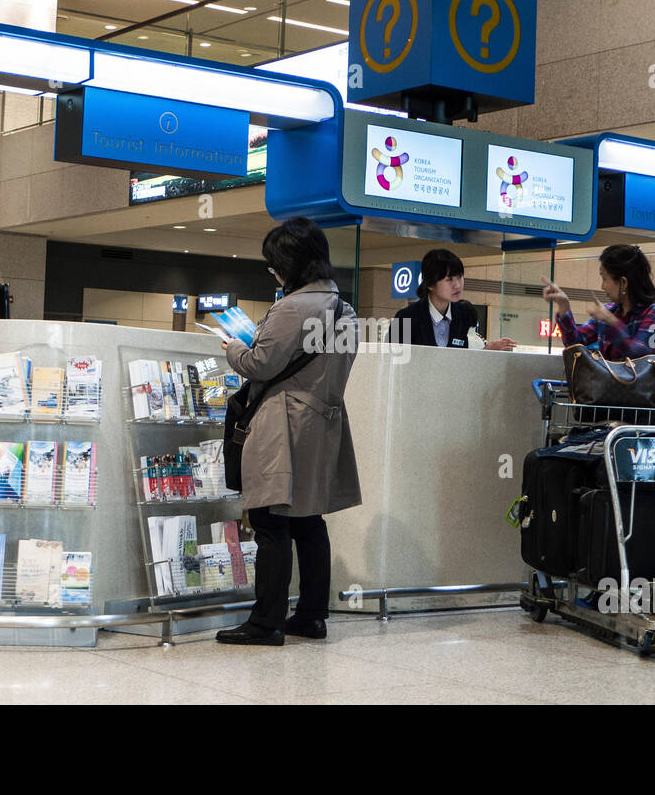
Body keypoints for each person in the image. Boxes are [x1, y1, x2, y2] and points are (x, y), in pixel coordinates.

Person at [216, 217, 362, 646]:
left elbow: (261, 364)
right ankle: (312, 616)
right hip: (323, 423)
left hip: (283, 426)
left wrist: (234, 348)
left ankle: (266, 622)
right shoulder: (345, 309)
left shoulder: (292, 307)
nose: (274, 272)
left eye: (275, 264)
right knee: (309, 521)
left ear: (290, 264)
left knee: (269, 521)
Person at [540, 243, 655, 396]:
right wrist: (564, 307)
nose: (602, 286)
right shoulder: (610, 311)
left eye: (604, 278)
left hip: (643, 410)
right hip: (609, 402)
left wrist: (612, 323)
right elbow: (575, 343)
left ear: (623, 282)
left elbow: (643, 358)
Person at [391, 248, 517, 350]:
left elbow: (461, 362)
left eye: (460, 277)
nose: (457, 285)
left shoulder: (464, 314)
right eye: (449, 279)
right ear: (430, 284)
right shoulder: (406, 318)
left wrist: (487, 351)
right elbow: (393, 362)